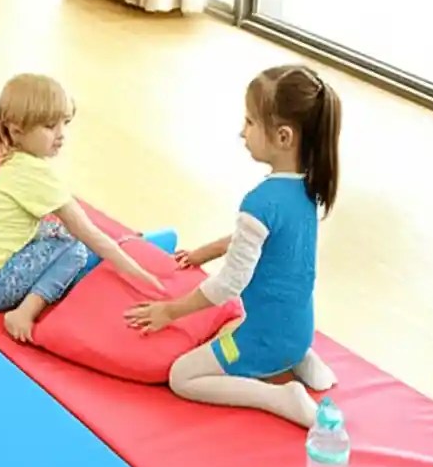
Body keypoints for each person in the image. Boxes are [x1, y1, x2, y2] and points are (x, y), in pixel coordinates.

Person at [125, 64, 341, 427]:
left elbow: (229, 285)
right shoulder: (307, 190)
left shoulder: (260, 202)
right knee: (266, 314)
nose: (243, 132)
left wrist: (170, 311)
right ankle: (299, 358)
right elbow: (263, 244)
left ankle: (278, 397)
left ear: (283, 137)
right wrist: (203, 253)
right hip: (300, 330)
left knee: (182, 376)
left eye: (250, 122)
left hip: (264, 339)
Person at [0, 73, 164, 343]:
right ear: (16, 130)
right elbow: (87, 233)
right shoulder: (35, 173)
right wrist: (136, 271)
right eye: (49, 126)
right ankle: (24, 312)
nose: (61, 135)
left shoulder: (18, 163)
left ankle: (58, 283)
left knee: (58, 232)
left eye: (64, 123)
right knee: (75, 249)